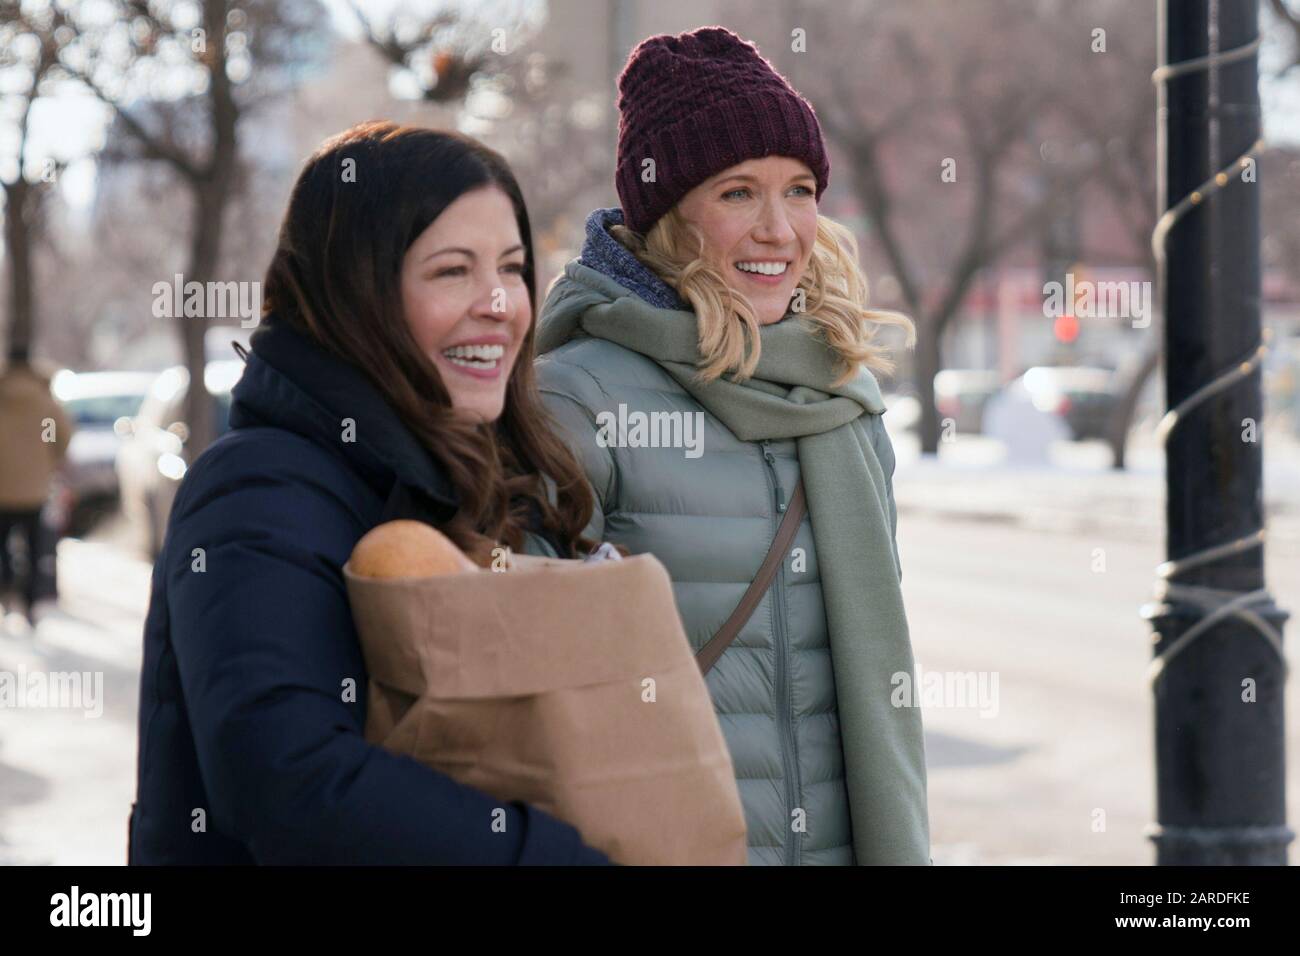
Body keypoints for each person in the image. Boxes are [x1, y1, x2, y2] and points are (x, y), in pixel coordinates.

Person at [129, 121, 612, 864]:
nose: (499, 303)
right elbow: (289, 781)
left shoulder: (459, 476)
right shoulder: (259, 488)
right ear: (358, 292)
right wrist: (552, 857)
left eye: (512, 269)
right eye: (453, 271)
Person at [535, 27, 931, 865]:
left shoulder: (839, 398)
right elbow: (531, 698)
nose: (780, 230)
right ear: (669, 213)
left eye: (799, 190)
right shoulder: (577, 397)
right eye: (738, 193)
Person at [0, 346, 72, 628]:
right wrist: (47, 461)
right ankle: (30, 602)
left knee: (3, 546)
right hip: (34, 488)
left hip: (2, 487)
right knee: (33, 545)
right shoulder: (44, 399)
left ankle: (6, 590)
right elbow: (62, 435)